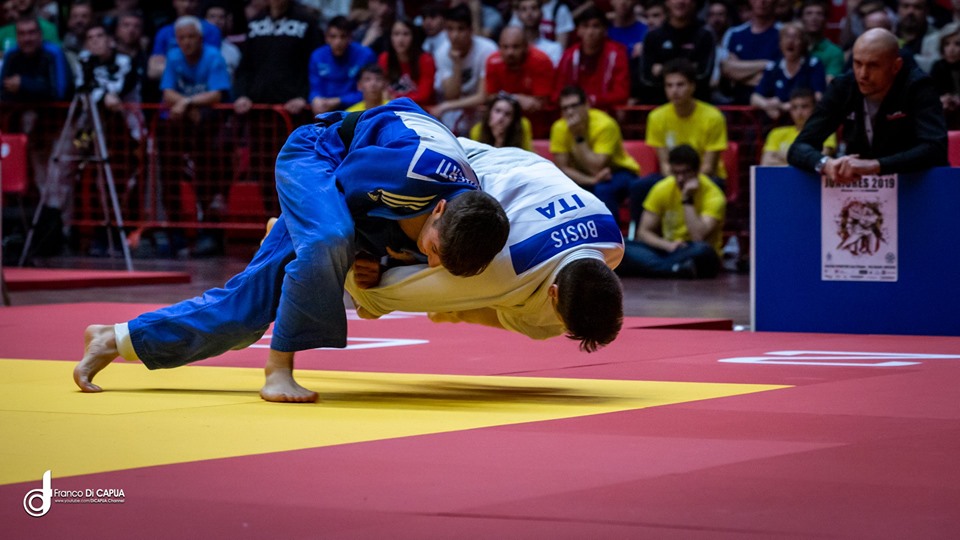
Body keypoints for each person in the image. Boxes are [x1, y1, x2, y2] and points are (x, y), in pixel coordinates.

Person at [74, 98, 510, 403]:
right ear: (437, 211)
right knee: (325, 239)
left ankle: (115, 339)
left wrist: (376, 257)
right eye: (432, 250)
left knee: (246, 313)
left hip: (355, 187)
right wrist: (360, 252)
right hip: (315, 154)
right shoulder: (405, 175)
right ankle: (278, 368)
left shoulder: (468, 209)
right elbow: (341, 188)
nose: (430, 262)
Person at [348, 138, 624, 352]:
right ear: (553, 293)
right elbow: (380, 295)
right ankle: (450, 304)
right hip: (433, 178)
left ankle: (453, 306)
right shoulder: (504, 271)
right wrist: (364, 288)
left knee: (542, 321)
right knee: (389, 280)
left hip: (491, 155)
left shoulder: (613, 239)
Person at [788, 28, 949, 183]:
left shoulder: (918, 87)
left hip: (919, 185)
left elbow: (935, 148)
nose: (862, 74)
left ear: (896, 66)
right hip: (863, 188)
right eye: (857, 63)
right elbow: (798, 148)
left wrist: (876, 165)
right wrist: (825, 164)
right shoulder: (843, 87)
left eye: (873, 65)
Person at [633, 57, 728, 210]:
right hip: (672, 176)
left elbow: (708, 166)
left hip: (705, 177)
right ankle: (637, 232)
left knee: (715, 185)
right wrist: (677, 181)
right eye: (669, 85)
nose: (674, 91)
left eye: (680, 85)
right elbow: (664, 164)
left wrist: (687, 181)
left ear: (692, 86)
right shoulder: (656, 117)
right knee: (639, 187)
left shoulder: (714, 117)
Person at [618, 145, 724, 279]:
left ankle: (657, 268)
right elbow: (643, 232)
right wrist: (668, 245)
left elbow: (698, 236)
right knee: (621, 245)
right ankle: (674, 269)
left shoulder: (714, 195)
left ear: (697, 171)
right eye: (676, 173)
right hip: (668, 249)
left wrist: (687, 199)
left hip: (693, 250)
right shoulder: (662, 188)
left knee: (704, 251)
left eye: (685, 173)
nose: (680, 178)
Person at [549, 85, 640, 224]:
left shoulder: (605, 125)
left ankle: (612, 237)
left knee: (603, 189)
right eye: (565, 108)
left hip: (618, 171)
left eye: (574, 106)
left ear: (586, 105)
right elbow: (563, 168)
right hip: (585, 175)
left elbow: (596, 167)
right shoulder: (558, 128)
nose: (570, 112)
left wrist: (578, 136)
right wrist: (590, 180)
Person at [430, 3, 498, 133]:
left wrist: (446, 106)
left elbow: (483, 96)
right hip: (456, 111)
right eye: (450, 29)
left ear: (471, 30)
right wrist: (457, 63)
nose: (455, 35)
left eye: (461, 29)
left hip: (481, 110)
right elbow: (451, 95)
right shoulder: (441, 52)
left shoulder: (487, 49)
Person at [637, 0, 716, 104]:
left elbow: (703, 76)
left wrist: (662, 70)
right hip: (659, 106)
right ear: (666, 2)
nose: (680, 1)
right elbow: (646, 79)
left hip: (697, 107)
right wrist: (690, 68)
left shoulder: (705, 35)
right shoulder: (652, 37)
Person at [555, 6, 631, 112]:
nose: (590, 32)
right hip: (573, 113)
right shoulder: (569, 55)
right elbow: (557, 92)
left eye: (596, 26)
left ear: (605, 30)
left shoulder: (617, 54)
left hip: (606, 113)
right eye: (585, 26)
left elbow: (621, 94)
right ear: (578, 31)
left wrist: (591, 100)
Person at [483, 26, 555, 136]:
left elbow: (539, 103)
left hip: (537, 127)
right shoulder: (492, 61)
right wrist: (515, 98)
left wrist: (504, 97)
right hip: (503, 126)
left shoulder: (541, 61)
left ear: (526, 47)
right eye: (505, 47)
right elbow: (490, 98)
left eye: (515, 47)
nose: (509, 52)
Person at [750, 22, 826, 121]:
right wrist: (767, 105)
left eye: (795, 37)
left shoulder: (813, 64)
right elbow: (754, 98)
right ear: (780, 43)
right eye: (786, 37)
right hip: (778, 123)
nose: (790, 41)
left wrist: (784, 106)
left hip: (807, 122)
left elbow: (818, 97)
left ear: (803, 43)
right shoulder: (773, 68)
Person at [309, 16, 377, 114]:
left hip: (358, 111)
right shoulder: (317, 56)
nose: (338, 42)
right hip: (325, 110)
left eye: (343, 36)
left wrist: (339, 101)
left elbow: (370, 90)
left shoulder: (365, 55)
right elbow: (314, 88)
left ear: (350, 37)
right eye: (333, 36)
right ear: (326, 37)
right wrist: (315, 99)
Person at [719, 0, 782, 104]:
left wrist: (740, 74)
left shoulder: (785, 33)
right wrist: (766, 64)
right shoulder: (734, 34)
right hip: (739, 105)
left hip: (773, 105)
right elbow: (727, 70)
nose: (762, 2)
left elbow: (783, 73)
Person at [761, 87, 836, 166]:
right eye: (794, 107)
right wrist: (806, 159)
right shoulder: (776, 133)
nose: (799, 112)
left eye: (804, 106)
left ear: (815, 108)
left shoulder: (825, 131)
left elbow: (821, 162)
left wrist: (781, 156)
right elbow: (766, 163)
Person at [378, 17, 436, 106]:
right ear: (390, 37)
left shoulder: (426, 59)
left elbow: (423, 96)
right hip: (392, 109)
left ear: (413, 37)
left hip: (419, 110)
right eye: (396, 34)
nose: (400, 40)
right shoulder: (384, 58)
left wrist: (394, 98)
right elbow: (381, 89)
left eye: (406, 34)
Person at [469, 92, 533, 150]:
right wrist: (498, 142)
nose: (501, 118)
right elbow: (478, 159)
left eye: (507, 114)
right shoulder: (477, 130)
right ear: (489, 113)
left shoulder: (523, 126)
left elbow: (528, 156)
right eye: (497, 111)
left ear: (513, 119)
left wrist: (501, 140)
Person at [800, 0, 843, 81]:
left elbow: (831, 84)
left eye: (819, 14)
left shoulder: (835, 52)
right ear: (801, 18)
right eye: (809, 13)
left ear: (826, 19)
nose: (814, 18)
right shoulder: (793, 48)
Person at [513, 0, 564, 66]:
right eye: (524, 9)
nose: (529, 13)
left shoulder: (554, 49)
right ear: (518, 15)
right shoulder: (512, 49)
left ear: (542, 13)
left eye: (534, 8)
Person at [930, 23, 960, 129]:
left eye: (957, 44)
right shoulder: (937, 67)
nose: (951, 49)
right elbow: (930, 97)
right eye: (947, 44)